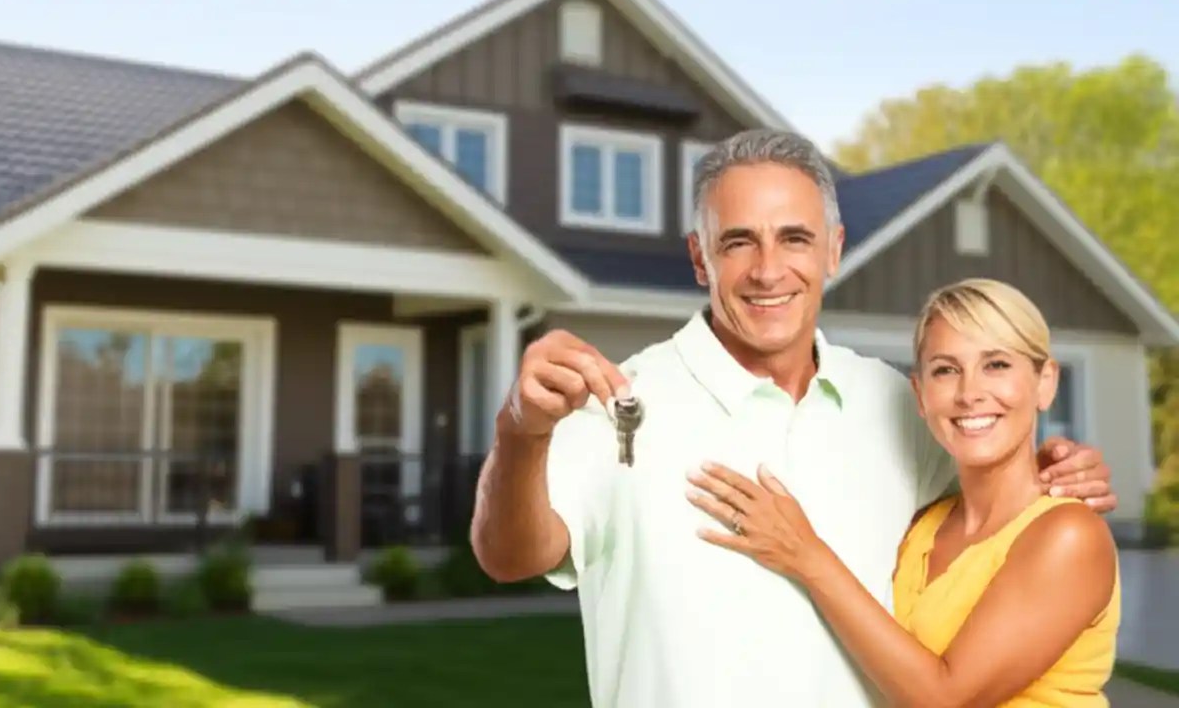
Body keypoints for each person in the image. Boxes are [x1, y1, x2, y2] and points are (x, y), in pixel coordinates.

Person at [469, 128, 1118, 707]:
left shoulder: (893, 403)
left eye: (795, 238)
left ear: (833, 250)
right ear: (699, 258)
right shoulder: (618, 403)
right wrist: (520, 432)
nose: (768, 270)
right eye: (738, 242)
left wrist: (1052, 469)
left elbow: (998, 510)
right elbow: (508, 557)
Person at [687, 277, 1120, 707]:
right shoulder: (922, 527)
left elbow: (944, 699)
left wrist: (806, 555)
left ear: (1045, 382)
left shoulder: (1069, 535)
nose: (970, 393)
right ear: (920, 394)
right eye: (946, 370)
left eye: (997, 365)